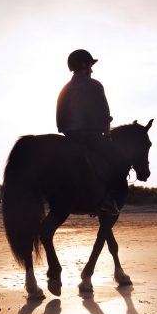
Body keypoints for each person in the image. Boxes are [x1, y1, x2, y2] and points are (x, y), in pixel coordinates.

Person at [56, 49, 121, 215]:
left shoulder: (64, 89)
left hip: (69, 136)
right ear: (84, 65)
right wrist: (107, 135)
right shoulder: (95, 85)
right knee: (118, 161)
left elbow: (60, 117)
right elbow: (104, 113)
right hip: (90, 136)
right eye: (90, 66)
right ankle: (108, 201)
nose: (91, 70)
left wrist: (67, 132)